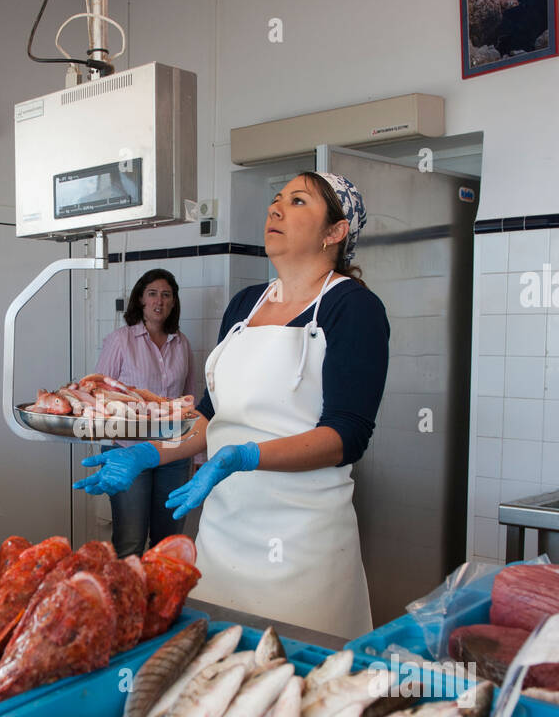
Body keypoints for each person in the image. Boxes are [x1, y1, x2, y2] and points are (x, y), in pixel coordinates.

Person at [74, 174, 390, 637]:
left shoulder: (354, 309)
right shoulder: (244, 305)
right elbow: (210, 416)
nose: (275, 210)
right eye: (275, 199)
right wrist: (150, 452)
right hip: (223, 533)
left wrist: (246, 456)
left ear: (335, 232)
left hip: (302, 541)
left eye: (297, 201)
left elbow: (347, 434)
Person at [90, 268, 195, 557]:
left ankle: (161, 601)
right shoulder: (120, 340)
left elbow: (190, 402)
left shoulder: (182, 343)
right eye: (152, 294)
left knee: (167, 544)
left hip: (174, 451)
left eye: (166, 295)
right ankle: (127, 601)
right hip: (128, 450)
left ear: (173, 303)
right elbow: (98, 393)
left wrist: (197, 456)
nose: (159, 301)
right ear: (140, 299)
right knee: (130, 542)